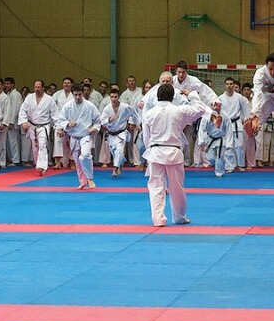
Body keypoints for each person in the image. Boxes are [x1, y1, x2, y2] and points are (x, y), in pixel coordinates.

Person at [141, 84, 207, 227]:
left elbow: (146, 137)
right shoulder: (179, 110)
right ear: (173, 97)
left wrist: (150, 150)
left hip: (155, 152)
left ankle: (158, 219)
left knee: (156, 187)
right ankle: (179, 217)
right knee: (177, 188)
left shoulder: (149, 113)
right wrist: (191, 95)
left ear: (157, 96)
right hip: (174, 152)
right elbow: (201, 109)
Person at [57, 83, 102, 189]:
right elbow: (61, 120)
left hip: (86, 135)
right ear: (72, 94)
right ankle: (82, 181)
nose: (77, 97)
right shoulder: (68, 106)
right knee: (77, 161)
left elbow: (97, 120)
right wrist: (68, 124)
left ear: (83, 94)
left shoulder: (90, 106)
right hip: (74, 136)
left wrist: (94, 128)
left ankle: (90, 179)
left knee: (85, 155)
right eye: (75, 95)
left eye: (79, 94)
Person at [18, 80, 59, 175]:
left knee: (43, 145)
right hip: (32, 125)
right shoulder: (29, 98)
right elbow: (23, 110)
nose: (37, 89)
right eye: (35, 87)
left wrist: (58, 127)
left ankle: (42, 166)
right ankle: (38, 164)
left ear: (43, 88)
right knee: (35, 147)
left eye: (39, 87)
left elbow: (55, 114)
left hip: (44, 126)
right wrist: (24, 122)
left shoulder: (49, 99)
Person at [100, 87, 139, 178]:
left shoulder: (125, 106)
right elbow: (102, 120)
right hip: (111, 134)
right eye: (112, 97)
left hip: (121, 133)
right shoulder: (107, 108)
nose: (114, 99)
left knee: (119, 151)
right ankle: (119, 163)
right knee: (114, 152)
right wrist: (110, 119)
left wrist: (135, 123)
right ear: (110, 97)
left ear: (119, 97)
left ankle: (115, 169)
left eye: (115, 97)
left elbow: (134, 113)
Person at [219, 77, 251, 172]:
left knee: (239, 145)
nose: (229, 86)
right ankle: (230, 166)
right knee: (228, 146)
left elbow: (245, 110)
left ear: (234, 85)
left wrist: (246, 120)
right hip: (226, 124)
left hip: (237, 123)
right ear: (225, 86)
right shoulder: (220, 98)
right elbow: (218, 111)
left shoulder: (239, 97)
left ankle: (241, 164)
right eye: (227, 84)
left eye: (231, 84)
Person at [197, 101, 234, 178]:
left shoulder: (225, 116)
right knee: (210, 158)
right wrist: (201, 141)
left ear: (220, 106)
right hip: (210, 139)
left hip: (221, 139)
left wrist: (229, 143)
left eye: (217, 106)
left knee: (220, 156)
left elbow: (229, 130)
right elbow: (202, 129)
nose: (216, 108)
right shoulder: (207, 116)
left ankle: (219, 172)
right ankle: (218, 165)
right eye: (214, 106)